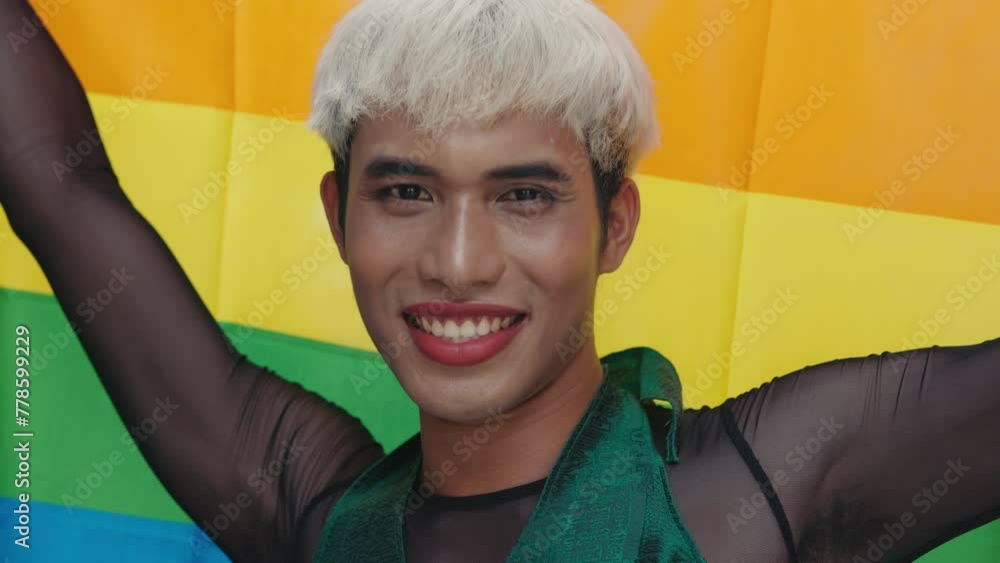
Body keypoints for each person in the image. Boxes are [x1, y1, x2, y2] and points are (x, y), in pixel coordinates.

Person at [1, 0, 997, 561]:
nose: (460, 260)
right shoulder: (312, 513)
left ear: (613, 225)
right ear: (336, 217)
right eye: (404, 192)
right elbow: (59, 185)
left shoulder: (763, 487)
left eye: (524, 195)